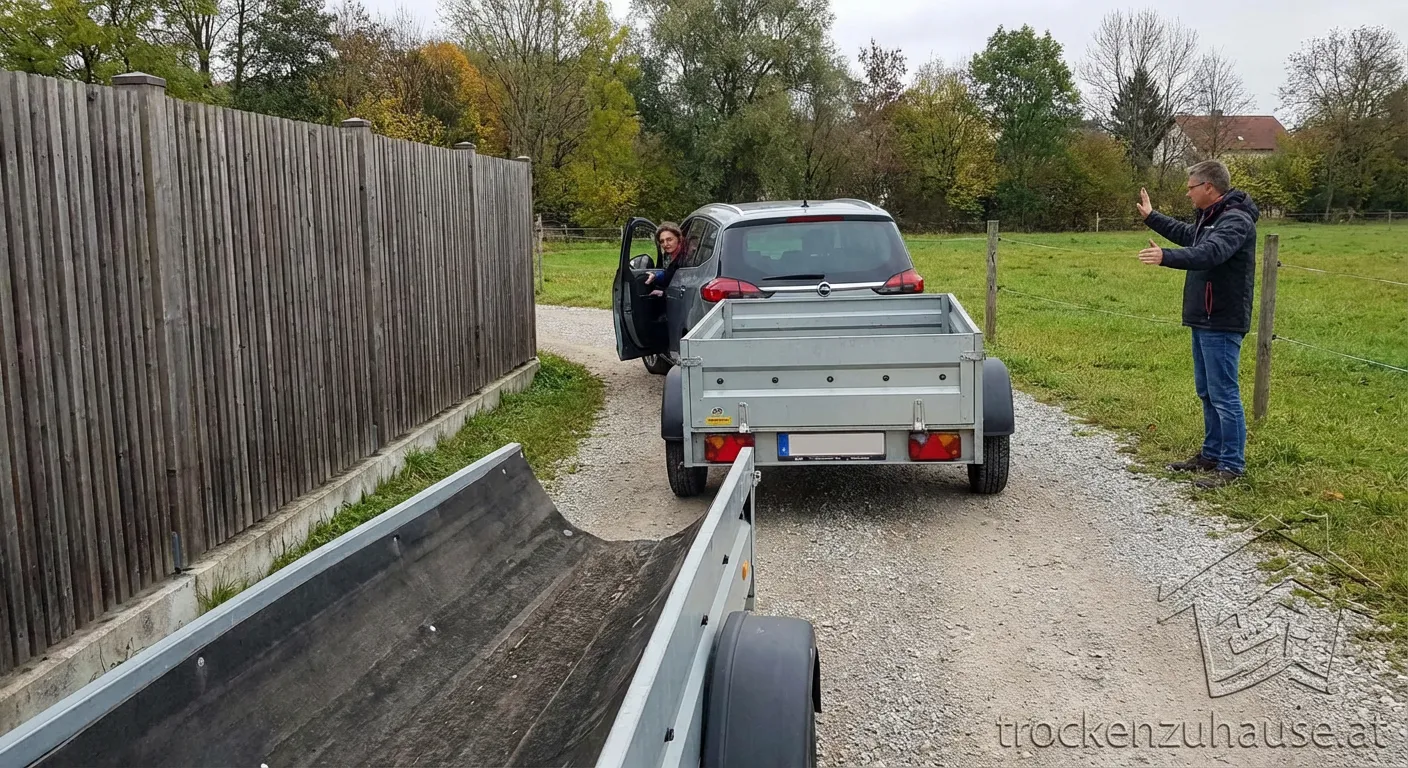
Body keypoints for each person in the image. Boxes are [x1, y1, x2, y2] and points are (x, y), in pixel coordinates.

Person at [1136, 159, 1260, 489]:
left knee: (1224, 393)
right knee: (1207, 391)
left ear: (1209, 186)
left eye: (1191, 187)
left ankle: (1231, 465)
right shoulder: (1211, 218)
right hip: (1204, 318)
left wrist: (1166, 257)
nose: (1188, 194)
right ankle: (1210, 455)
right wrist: (1152, 218)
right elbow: (1189, 236)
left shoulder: (1235, 221)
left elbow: (1209, 253)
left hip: (1221, 319)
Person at [644, 222, 685, 297]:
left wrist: (664, 293)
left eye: (669, 239)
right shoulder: (668, 256)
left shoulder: (685, 259)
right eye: (662, 241)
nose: (665, 244)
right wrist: (655, 275)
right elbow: (669, 274)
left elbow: (681, 285)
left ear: (679, 238)